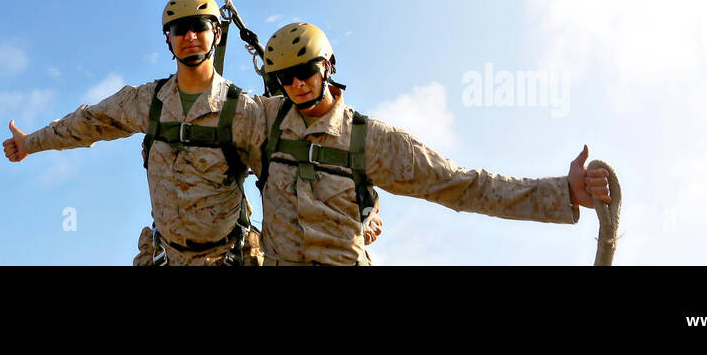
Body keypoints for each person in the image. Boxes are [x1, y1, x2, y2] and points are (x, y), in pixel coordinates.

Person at [251, 23, 613, 265]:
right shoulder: (263, 123)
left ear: (328, 66)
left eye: (306, 72)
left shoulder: (371, 141)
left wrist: (563, 191)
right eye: (285, 77)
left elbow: (462, 186)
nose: (297, 84)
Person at [3, 0, 267, 265]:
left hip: (228, 257)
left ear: (217, 34)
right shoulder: (148, 101)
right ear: (169, 39)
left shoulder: (244, 112)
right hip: (164, 256)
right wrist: (30, 143)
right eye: (179, 29)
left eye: (199, 26)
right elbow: (89, 122)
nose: (189, 36)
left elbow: (283, 177)